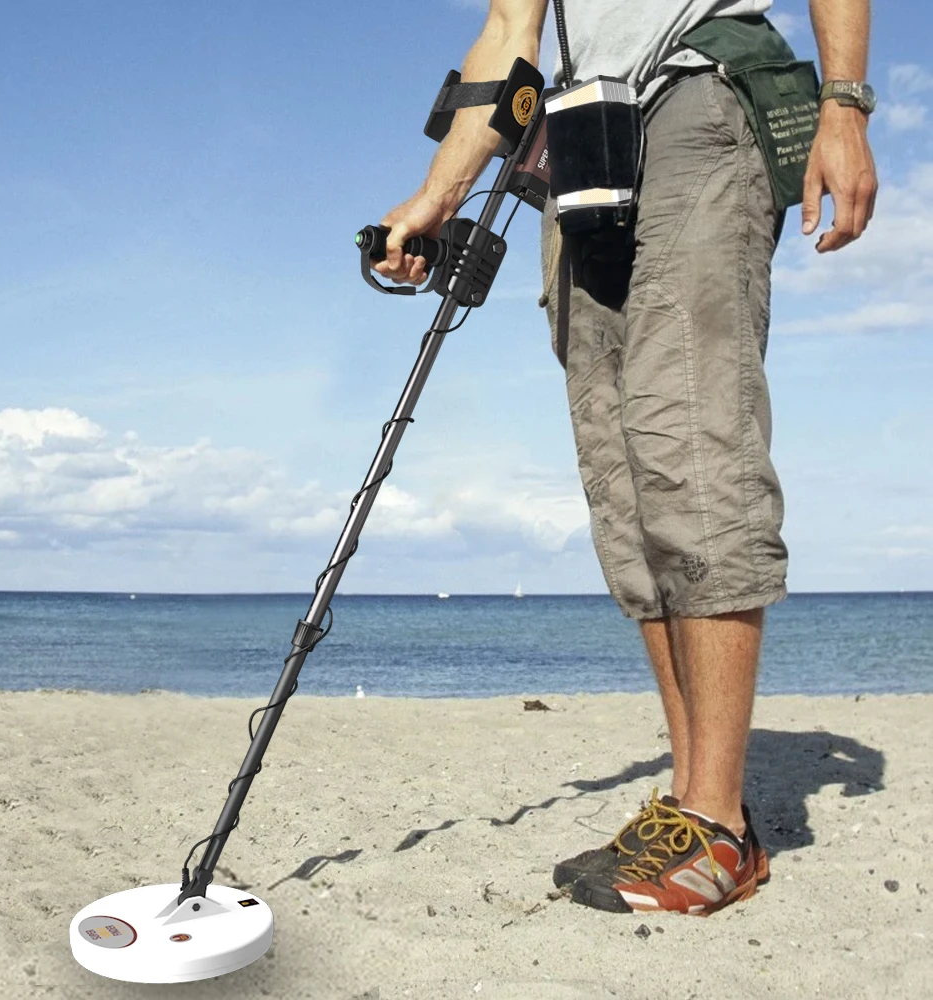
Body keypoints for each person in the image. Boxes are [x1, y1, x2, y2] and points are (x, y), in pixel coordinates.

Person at [373, 0, 877, 916]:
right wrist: (435, 199)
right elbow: (505, 39)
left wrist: (845, 103)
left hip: (702, 98)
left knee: (689, 440)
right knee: (623, 480)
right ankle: (691, 806)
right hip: (580, 138)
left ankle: (719, 824)